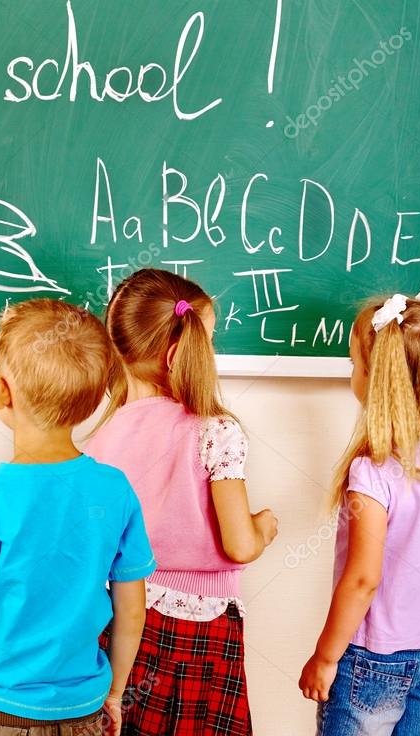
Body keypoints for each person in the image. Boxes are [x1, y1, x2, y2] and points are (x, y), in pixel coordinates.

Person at [0, 298, 155, 736]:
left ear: (3, 392)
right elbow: (132, 609)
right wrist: (115, 691)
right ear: (94, 401)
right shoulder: (115, 490)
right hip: (83, 713)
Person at [88, 268, 278, 735]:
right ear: (179, 352)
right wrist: (264, 526)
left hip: (122, 623)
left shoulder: (99, 440)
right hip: (201, 633)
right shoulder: (216, 431)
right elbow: (240, 544)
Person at [299, 288, 420, 736]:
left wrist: (325, 657)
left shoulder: (372, 471)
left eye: (355, 365)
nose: (352, 374)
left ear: (377, 381)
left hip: (373, 658)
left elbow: (363, 579)